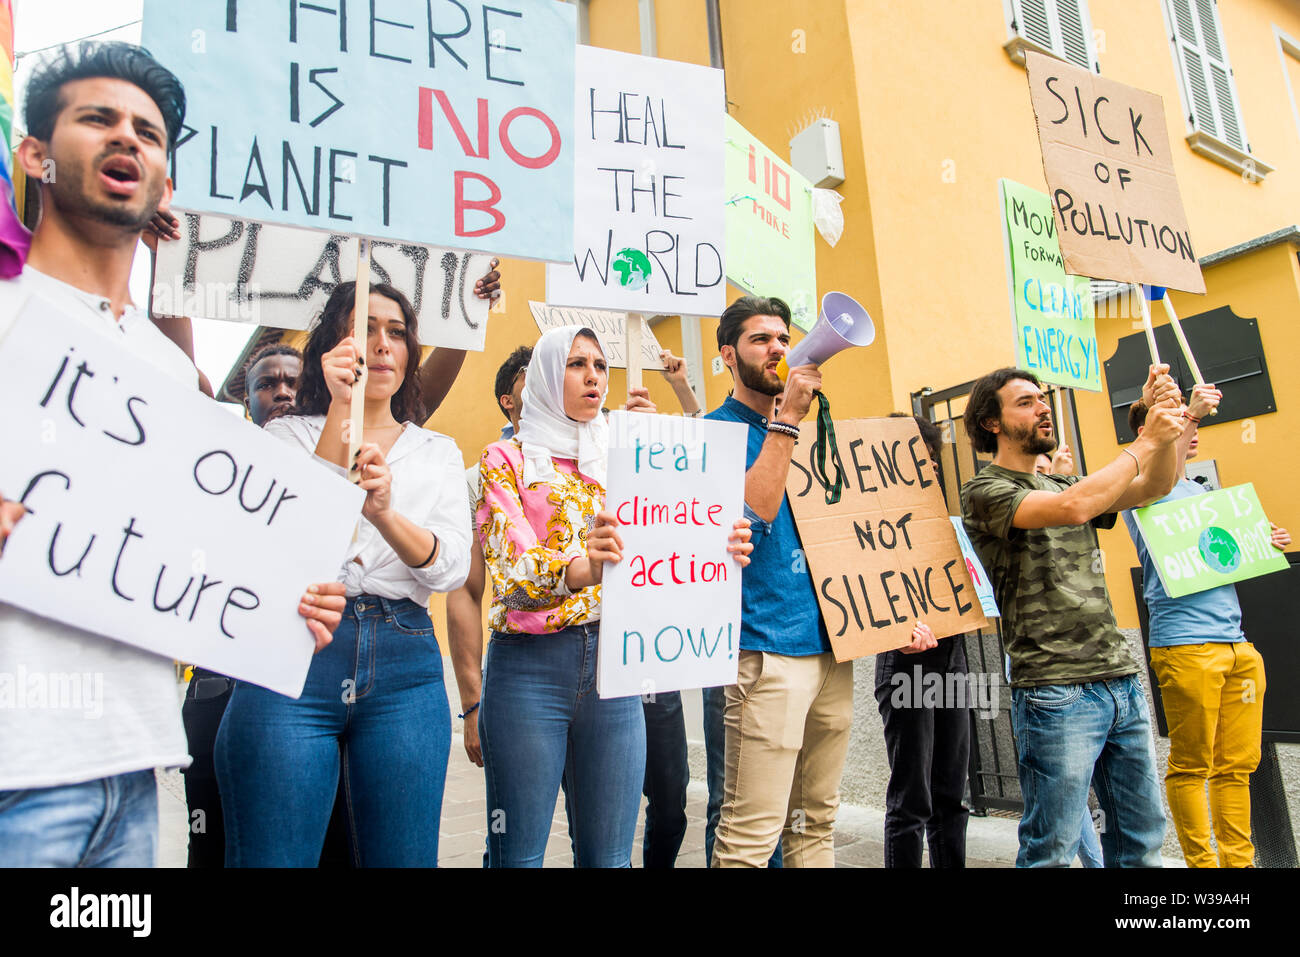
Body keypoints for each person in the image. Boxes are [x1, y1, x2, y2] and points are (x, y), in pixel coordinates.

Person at [0, 41, 345, 867]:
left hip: (140, 775)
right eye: (98, 119)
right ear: (35, 153)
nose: (127, 138)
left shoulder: (166, 374)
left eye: (149, 132)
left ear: (165, 182)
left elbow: (193, 553)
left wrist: (286, 600)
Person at [215, 281, 470, 866]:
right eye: (365, 330)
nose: (382, 345)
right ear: (332, 346)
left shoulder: (438, 452)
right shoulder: (285, 435)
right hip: (296, 648)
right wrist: (338, 410)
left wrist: (383, 515)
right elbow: (291, 545)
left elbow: (450, 569)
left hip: (403, 663)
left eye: (397, 333)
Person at [475, 326, 751, 867]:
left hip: (618, 665)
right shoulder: (504, 459)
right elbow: (510, 576)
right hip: (530, 670)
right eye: (577, 364)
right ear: (549, 376)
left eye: (601, 366)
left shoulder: (628, 455)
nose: (594, 376)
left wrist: (723, 543)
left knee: (609, 858)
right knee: (520, 855)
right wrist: (585, 568)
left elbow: (675, 536)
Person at [960, 364, 1192, 868]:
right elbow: (1072, 507)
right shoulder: (985, 490)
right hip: (1054, 689)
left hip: (1120, 681)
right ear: (991, 422)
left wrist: (1160, 419)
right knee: (1052, 851)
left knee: (1140, 844)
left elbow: (1155, 486)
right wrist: (1144, 440)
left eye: (1043, 398)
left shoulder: (1065, 480)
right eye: (1025, 401)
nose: (1043, 407)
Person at [704, 295, 853, 868]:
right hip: (764, 652)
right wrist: (785, 421)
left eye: (784, 339)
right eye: (760, 339)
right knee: (749, 838)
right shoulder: (713, 433)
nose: (778, 349)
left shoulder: (821, 436)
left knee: (816, 825)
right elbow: (749, 525)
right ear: (727, 355)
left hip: (832, 651)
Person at [1123, 387, 1287, 867]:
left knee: (1237, 767)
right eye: (1177, 422)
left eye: (1190, 423)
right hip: (1185, 645)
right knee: (1193, 766)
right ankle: (1203, 867)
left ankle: (1239, 865)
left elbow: (1220, 553)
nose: (1192, 431)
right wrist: (1188, 415)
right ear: (1148, 432)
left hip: (1236, 645)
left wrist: (1264, 540)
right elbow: (1162, 477)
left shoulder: (1199, 490)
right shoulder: (1138, 482)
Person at [873, 415, 970, 868]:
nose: (929, 470)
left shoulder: (945, 522)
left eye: (932, 461)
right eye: (918, 461)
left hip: (954, 662)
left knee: (952, 796)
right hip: (906, 666)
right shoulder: (870, 528)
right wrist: (897, 634)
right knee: (913, 800)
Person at [1032, 448, 1103, 869]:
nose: (1043, 478)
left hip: (1093, 658)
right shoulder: (1003, 498)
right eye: (1036, 472)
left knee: (1082, 784)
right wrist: (1057, 480)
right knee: (1065, 784)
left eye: (1047, 471)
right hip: (1048, 668)